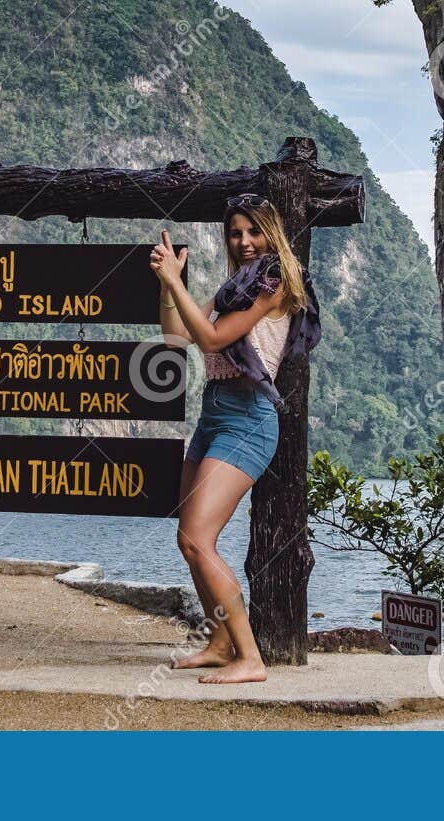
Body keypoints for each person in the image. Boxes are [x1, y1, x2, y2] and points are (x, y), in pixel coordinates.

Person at [150, 192, 320, 683]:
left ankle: (251, 658)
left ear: (272, 234)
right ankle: (221, 641)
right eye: (235, 233)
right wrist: (170, 287)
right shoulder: (233, 289)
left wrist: (174, 284)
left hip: (248, 417)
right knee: (189, 542)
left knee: (201, 541)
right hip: (215, 412)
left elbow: (212, 339)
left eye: (253, 231)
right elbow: (175, 336)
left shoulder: (274, 283)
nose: (244, 242)